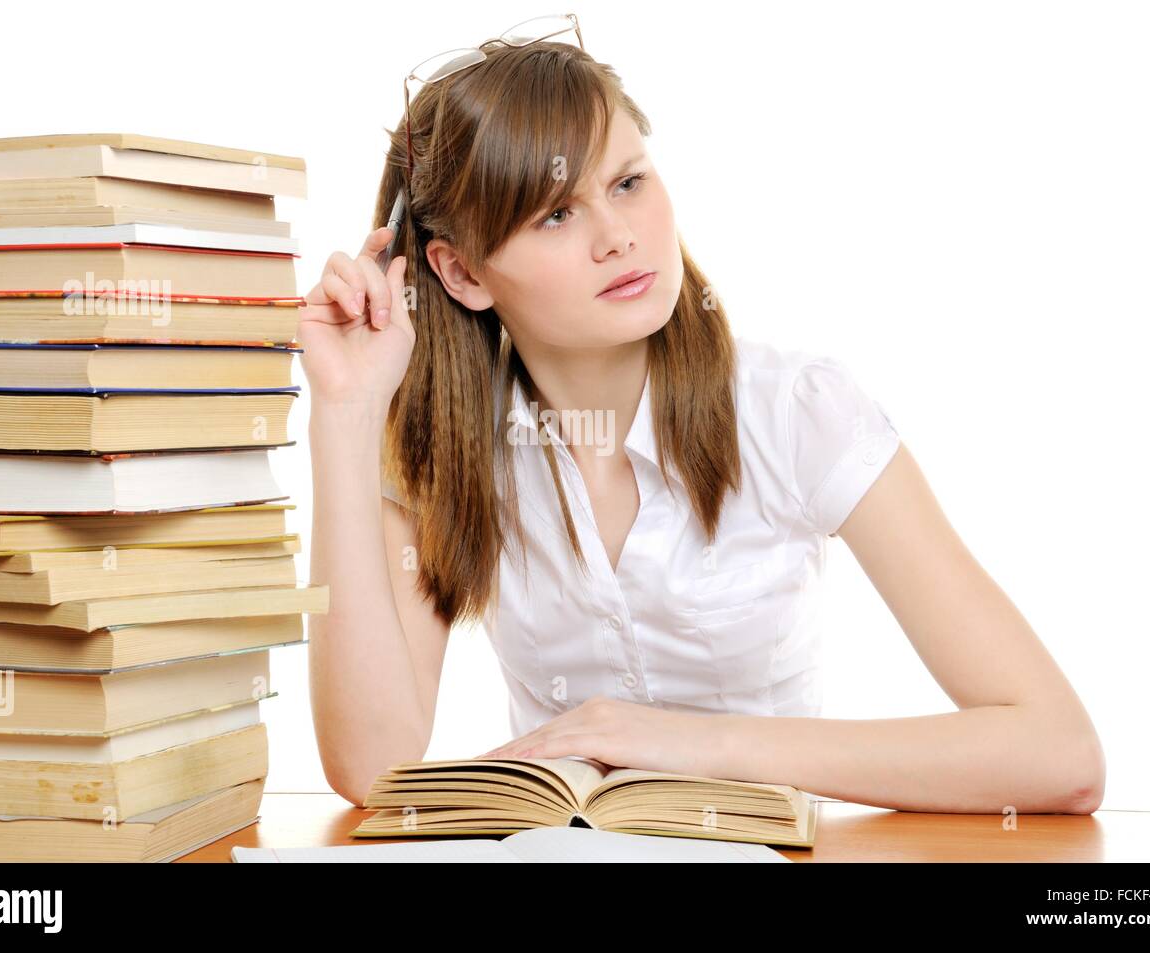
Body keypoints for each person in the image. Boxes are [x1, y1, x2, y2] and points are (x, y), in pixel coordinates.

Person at [298, 27, 1104, 815]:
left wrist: (675, 740)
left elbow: (1059, 754)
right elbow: (374, 767)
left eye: (627, 183)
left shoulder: (796, 411)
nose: (619, 237)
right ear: (463, 272)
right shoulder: (452, 453)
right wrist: (345, 412)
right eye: (555, 215)